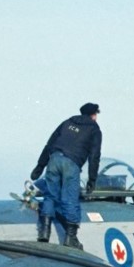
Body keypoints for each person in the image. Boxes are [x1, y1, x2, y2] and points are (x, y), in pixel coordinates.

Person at [30, 103, 103, 248]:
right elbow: (94, 156)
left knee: (50, 196)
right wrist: (92, 180)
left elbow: (49, 145)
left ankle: (44, 233)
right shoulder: (94, 129)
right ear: (94, 115)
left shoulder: (67, 122)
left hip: (54, 160)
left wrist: (40, 167)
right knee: (70, 200)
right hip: (71, 163)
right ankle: (71, 238)